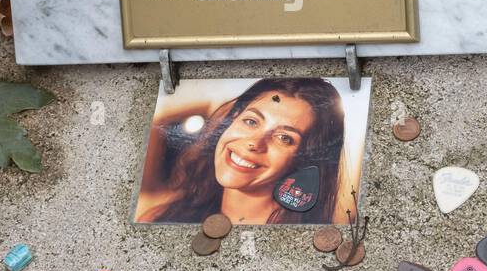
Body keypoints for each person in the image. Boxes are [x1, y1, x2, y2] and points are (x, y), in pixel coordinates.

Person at [138, 78, 348, 225]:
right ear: (232, 120)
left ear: (305, 160)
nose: (254, 143)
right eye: (251, 121)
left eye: (285, 138)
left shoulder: (303, 240)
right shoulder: (158, 217)